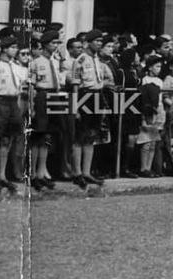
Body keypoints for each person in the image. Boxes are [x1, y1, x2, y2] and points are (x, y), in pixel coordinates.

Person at [70, 30, 113, 188]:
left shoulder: (97, 60)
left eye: (101, 41)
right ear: (88, 42)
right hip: (84, 96)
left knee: (92, 136)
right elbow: (75, 84)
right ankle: (77, 173)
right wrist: (75, 107)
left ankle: (87, 172)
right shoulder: (81, 60)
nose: (99, 44)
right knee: (80, 136)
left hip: (96, 96)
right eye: (96, 41)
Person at [0, 34, 24, 194]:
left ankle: (3, 175)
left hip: (13, 103)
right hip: (0, 103)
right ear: (4, 49)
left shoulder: (16, 66)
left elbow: (18, 90)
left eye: (16, 47)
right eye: (12, 47)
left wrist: (18, 109)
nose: (15, 50)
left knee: (7, 141)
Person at [28, 30, 65, 191]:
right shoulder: (36, 62)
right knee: (38, 135)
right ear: (44, 45)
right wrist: (31, 106)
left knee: (47, 137)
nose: (55, 46)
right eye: (52, 43)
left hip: (54, 96)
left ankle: (41, 173)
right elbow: (31, 85)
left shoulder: (55, 62)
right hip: (41, 96)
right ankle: (33, 175)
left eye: (57, 43)